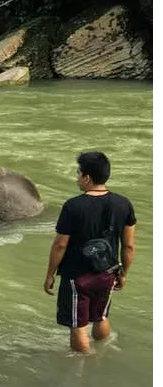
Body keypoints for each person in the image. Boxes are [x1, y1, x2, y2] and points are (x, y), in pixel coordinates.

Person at [44, 151, 136, 354]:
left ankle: (85, 370)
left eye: (78, 173)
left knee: (78, 326)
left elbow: (60, 245)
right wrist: (124, 274)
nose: (77, 178)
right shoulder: (124, 204)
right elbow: (129, 246)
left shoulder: (73, 206)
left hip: (78, 276)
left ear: (87, 177)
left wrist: (50, 274)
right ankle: (104, 353)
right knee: (100, 316)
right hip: (108, 273)